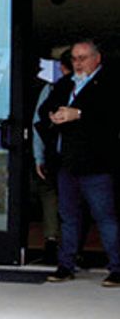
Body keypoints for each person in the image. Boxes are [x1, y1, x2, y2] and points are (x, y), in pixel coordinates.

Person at [37, 38, 120, 287]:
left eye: (83, 58)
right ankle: (66, 265)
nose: (78, 63)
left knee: (105, 216)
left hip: (96, 164)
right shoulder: (64, 84)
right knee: (68, 217)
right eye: (74, 58)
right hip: (67, 163)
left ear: (97, 59)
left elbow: (112, 116)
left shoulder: (110, 83)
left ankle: (116, 267)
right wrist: (54, 115)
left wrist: (79, 114)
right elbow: (44, 112)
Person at [32, 48, 72, 264]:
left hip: (59, 155)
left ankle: (53, 243)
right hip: (59, 156)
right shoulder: (54, 88)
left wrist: (39, 156)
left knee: (54, 197)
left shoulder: (51, 89)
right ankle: (63, 247)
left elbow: (37, 123)